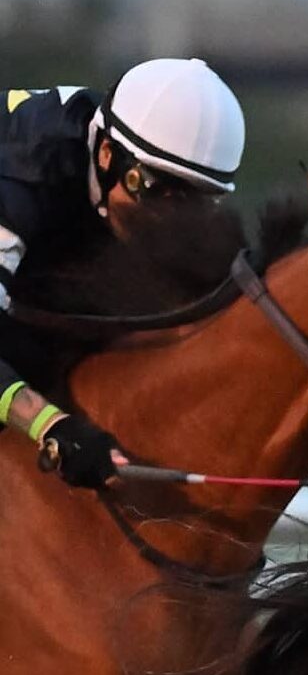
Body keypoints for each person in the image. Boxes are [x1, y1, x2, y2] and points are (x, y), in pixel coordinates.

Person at [0, 57, 246, 488]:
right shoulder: (25, 177)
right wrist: (49, 425)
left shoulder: (119, 159)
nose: (161, 219)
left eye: (189, 202)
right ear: (107, 154)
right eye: (149, 188)